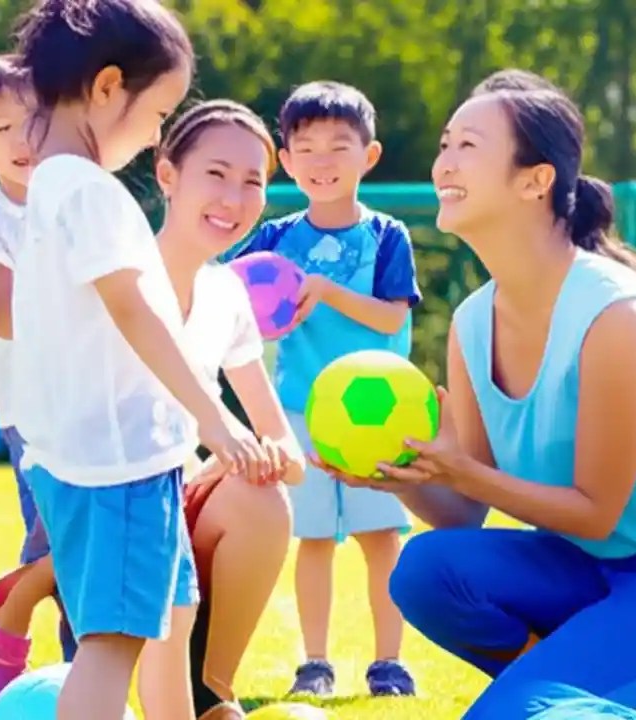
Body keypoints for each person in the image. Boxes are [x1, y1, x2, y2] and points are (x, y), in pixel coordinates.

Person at [322, 69, 636, 720]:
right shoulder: (473, 321)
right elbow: (464, 513)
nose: (444, 163)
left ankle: (624, 688)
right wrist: (404, 474)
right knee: (425, 570)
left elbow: (595, 513)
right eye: (445, 145)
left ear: (535, 180)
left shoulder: (617, 316)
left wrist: (463, 471)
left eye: (468, 146)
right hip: (579, 567)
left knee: (514, 713)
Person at [9, 1, 277, 718]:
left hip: (96, 464)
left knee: (167, 619)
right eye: (158, 112)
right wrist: (214, 420)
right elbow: (132, 310)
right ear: (106, 88)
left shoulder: (51, 188)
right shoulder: (92, 194)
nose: (158, 131)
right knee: (112, 644)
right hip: (121, 468)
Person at [226, 81, 421, 698]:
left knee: (380, 539)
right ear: (285, 160)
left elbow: (392, 318)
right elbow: (228, 297)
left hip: (379, 415)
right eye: (305, 148)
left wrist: (327, 291)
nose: (322, 160)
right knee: (311, 540)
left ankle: (389, 664)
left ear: (369, 156)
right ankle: (315, 664)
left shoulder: (387, 235)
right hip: (298, 412)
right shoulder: (273, 239)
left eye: (339, 146)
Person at [134, 99, 306, 720]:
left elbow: (288, 453)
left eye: (252, 182)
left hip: (179, 497)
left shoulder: (227, 292)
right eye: (216, 174)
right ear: (167, 174)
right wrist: (225, 440)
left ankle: (210, 691)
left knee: (263, 498)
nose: (234, 198)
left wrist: (241, 455)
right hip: (113, 504)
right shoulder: (122, 278)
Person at [0, 52, 78, 700]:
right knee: (63, 532)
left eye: (35, 121)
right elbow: (4, 317)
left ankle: (83, 667)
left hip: (103, 401)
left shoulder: (86, 204)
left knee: (94, 538)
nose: (23, 138)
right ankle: (22, 615)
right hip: (34, 412)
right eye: (3, 128)